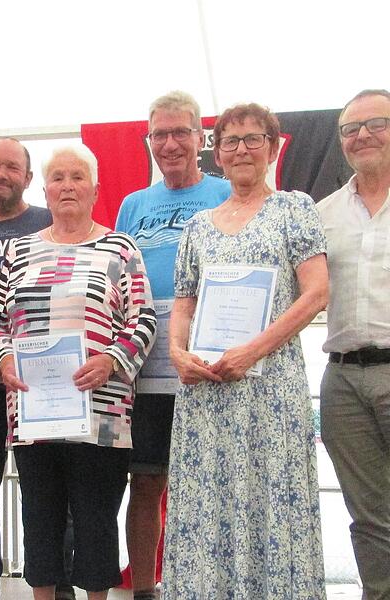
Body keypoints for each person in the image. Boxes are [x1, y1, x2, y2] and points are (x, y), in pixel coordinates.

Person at [163, 104, 328, 598]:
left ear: (273, 148)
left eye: (253, 139)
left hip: (269, 392)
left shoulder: (295, 209)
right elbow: (183, 306)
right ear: (217, 152)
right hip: (207, 392)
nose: (241, 150)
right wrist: (175, 352)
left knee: (271, 500)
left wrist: (253, 351)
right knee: (207, 505)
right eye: (230, 141)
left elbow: (316, 293)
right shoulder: (196, 227)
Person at [0, 144, 156, 600]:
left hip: (101, 416)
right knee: (39, 520)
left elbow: (144, 318)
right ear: (44, 189)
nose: (67, 186)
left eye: (77, 177)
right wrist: (2, 359)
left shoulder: (120, 248)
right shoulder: (19, 252)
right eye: (58, 177)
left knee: (96, 521)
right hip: (33, 415)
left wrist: (111, 360)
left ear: (95, 189)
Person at [114, 91, 230, 600]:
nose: (169, 143)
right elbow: (114, 278)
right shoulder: (132, 206)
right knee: (145, 482)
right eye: (159, 134)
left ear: (201, 138)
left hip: (209, 363)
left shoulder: (226, 193)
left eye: (180, 131)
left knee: (210, 485)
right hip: (144, 367)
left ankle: (208, 585)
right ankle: (144, 590)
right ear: (149, 141)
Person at [0, 138, 78, 600]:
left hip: (40, 380)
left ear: (29, 179)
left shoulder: (46, 222)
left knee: (48, 492)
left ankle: (56, 582)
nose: (1, 174)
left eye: (12, 167)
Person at [317, 89, 390, 599]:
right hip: (341, 379)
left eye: (376, 124)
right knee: (367, 512)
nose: (362, 135)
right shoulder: (321, 213)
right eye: (350, 129)